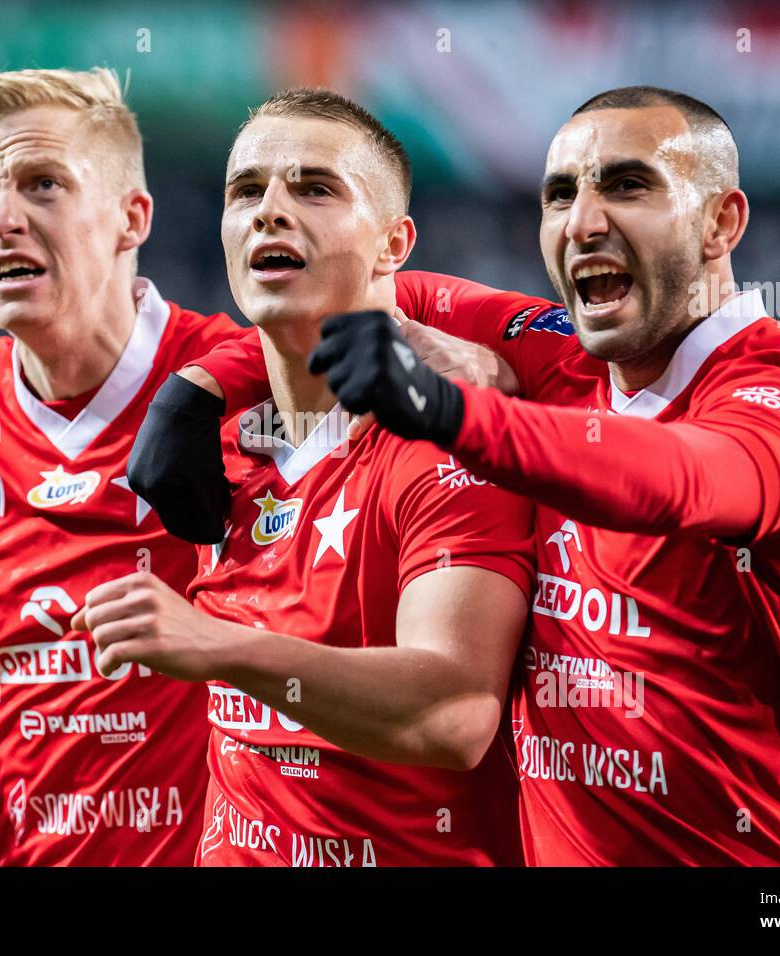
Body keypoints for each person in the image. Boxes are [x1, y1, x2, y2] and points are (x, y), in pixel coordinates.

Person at [0, 68, 553, 866]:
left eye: (43, 185)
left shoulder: (235, 386)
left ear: (132, 217)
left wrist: (486, 351)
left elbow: (352, 299)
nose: (4, 219)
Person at [305, 87, 780, 864]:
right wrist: (205, 386)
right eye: (560, 195)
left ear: (722, 222)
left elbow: (680, 479)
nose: (583, 222)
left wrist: (452, 412)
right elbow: (346, 283)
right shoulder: (558, 359)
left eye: (627, 184)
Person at [76, 89, 538, 866]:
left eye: (314, 187)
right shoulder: (215, 453)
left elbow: (454, 715)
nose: (269, 211)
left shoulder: (448, 447)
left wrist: (220, 646)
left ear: (394, 243)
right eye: (246, 191)